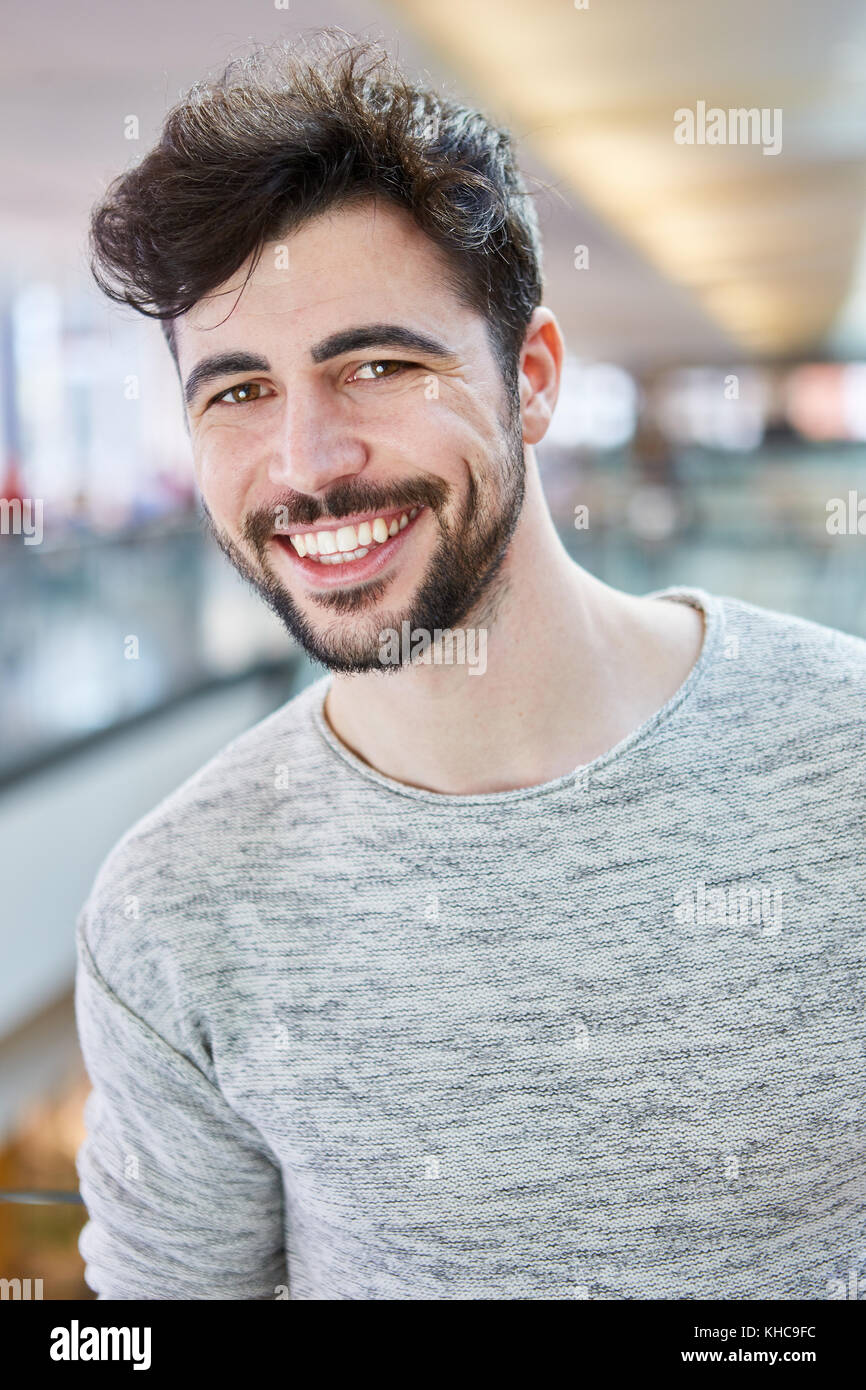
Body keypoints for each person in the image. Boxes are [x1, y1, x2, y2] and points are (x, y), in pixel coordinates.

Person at [75, 31, 866, 1300]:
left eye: (375, 365)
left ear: (531, 378)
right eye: (236, 392)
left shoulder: (842, 758)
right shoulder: (173, 906)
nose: (306, 460)